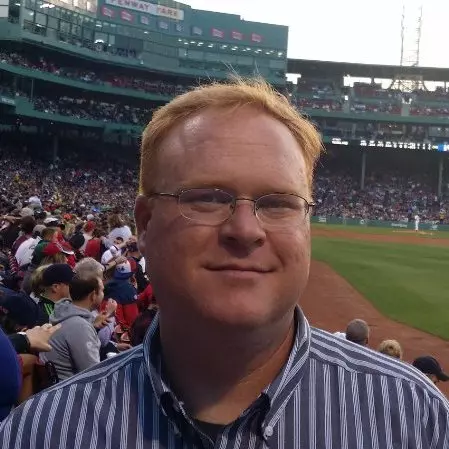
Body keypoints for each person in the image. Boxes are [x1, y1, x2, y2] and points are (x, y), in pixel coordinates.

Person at [2, 79, 449, 448]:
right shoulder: (40, 433)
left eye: (278, 203)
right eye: (208, 198)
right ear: (145, 224)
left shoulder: (419, 420)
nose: (245, 229)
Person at [39, 274, 104, 380]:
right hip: (69, 390)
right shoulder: (80, 327)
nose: (103, 294)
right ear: (93, 295)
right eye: (102, 290)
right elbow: (92, 373)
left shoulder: (64, 313)